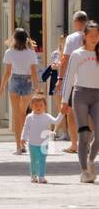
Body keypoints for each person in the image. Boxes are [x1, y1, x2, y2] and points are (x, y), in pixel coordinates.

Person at [61, 20, 99, 183]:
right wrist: (64, 100)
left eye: (97, 36)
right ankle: (84, 170)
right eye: (92, 35)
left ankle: (91, 159)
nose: (95, 38)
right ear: (85, 36)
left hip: (97, 96)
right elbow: (69, 78)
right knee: (84, 135)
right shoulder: (77, 54)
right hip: (81, 95)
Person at [0, 27, 40, 155]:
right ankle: (23, 143)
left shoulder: (9, 52)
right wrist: (37, 87)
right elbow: (33, 72)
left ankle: (18, 146)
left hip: (15, 81)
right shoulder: (31, 52)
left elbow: (7, 71)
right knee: (23, 113)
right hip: (27, 82)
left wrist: (2, 86)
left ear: (14, 39)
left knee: (17, 115)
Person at [56, 11, 88, 152]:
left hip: (74, 80)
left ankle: (74, 144)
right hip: (91, 80)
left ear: (75, 22)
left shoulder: (72, 38)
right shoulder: (93, 36)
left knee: (71, 112)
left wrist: (60, 79)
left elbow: (65, 59)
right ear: (85, 22)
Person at [22, 94, 63, 183]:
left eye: (41, 105)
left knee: (42, 160)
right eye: (36, 105)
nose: (38, 107)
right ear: (31, 106)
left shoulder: (47, 116)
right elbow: (26, 127)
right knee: (33, 161)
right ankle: (33, 175)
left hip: (44, 144)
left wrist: (62, 113)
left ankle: (41, 176)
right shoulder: (29, 117)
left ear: (45, 106)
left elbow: (56, 121)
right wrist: (23, 138)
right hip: (32, 144)